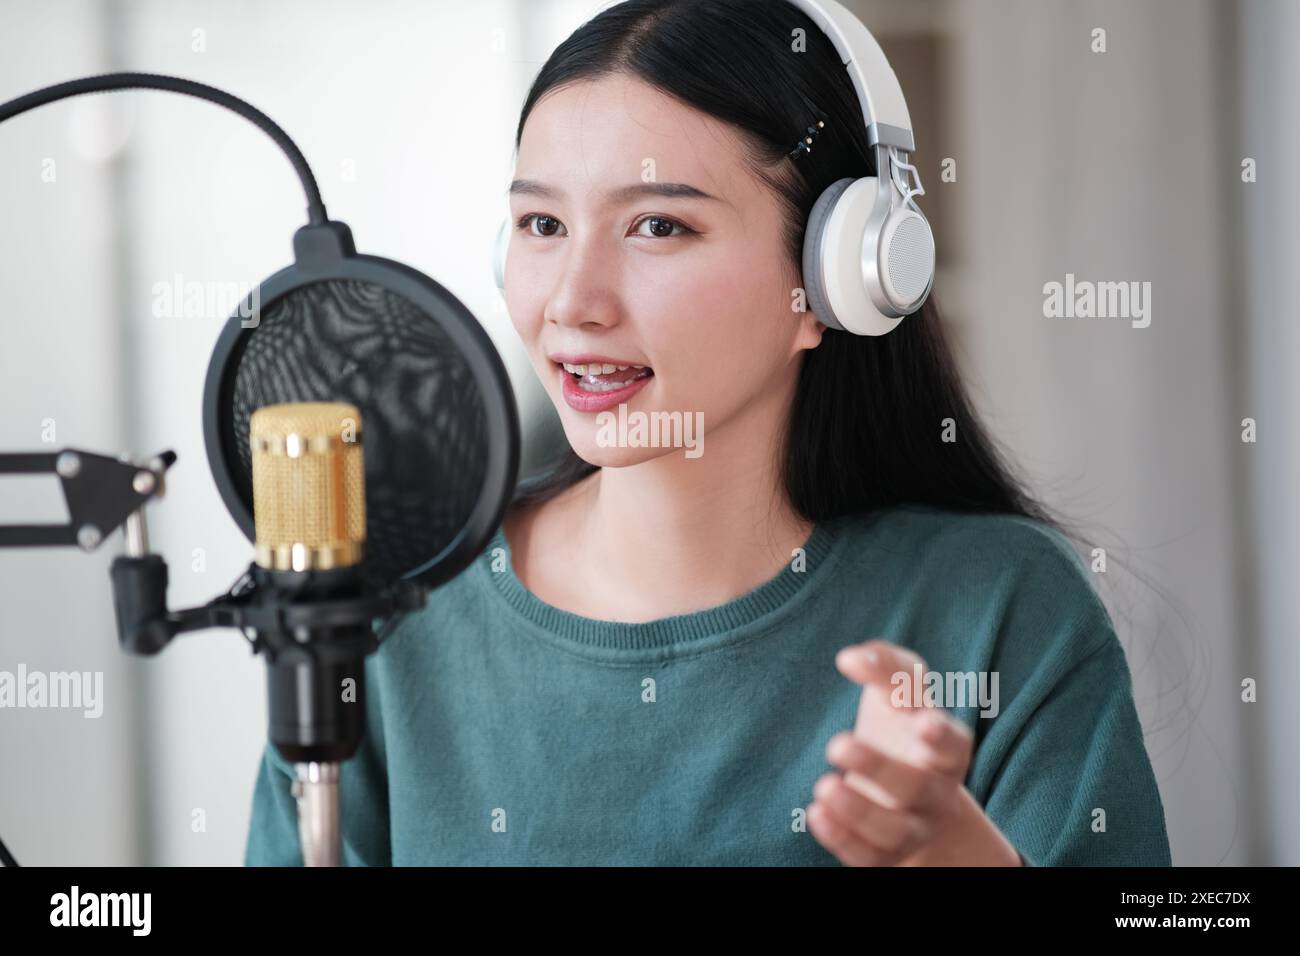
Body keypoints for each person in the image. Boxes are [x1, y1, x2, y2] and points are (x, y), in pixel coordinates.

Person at [245, 0, 1171, 866]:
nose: (572, 300)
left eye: (656, 225)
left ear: (840, 275)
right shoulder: (389, 618)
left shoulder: (1002, 610)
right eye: (540, 223)